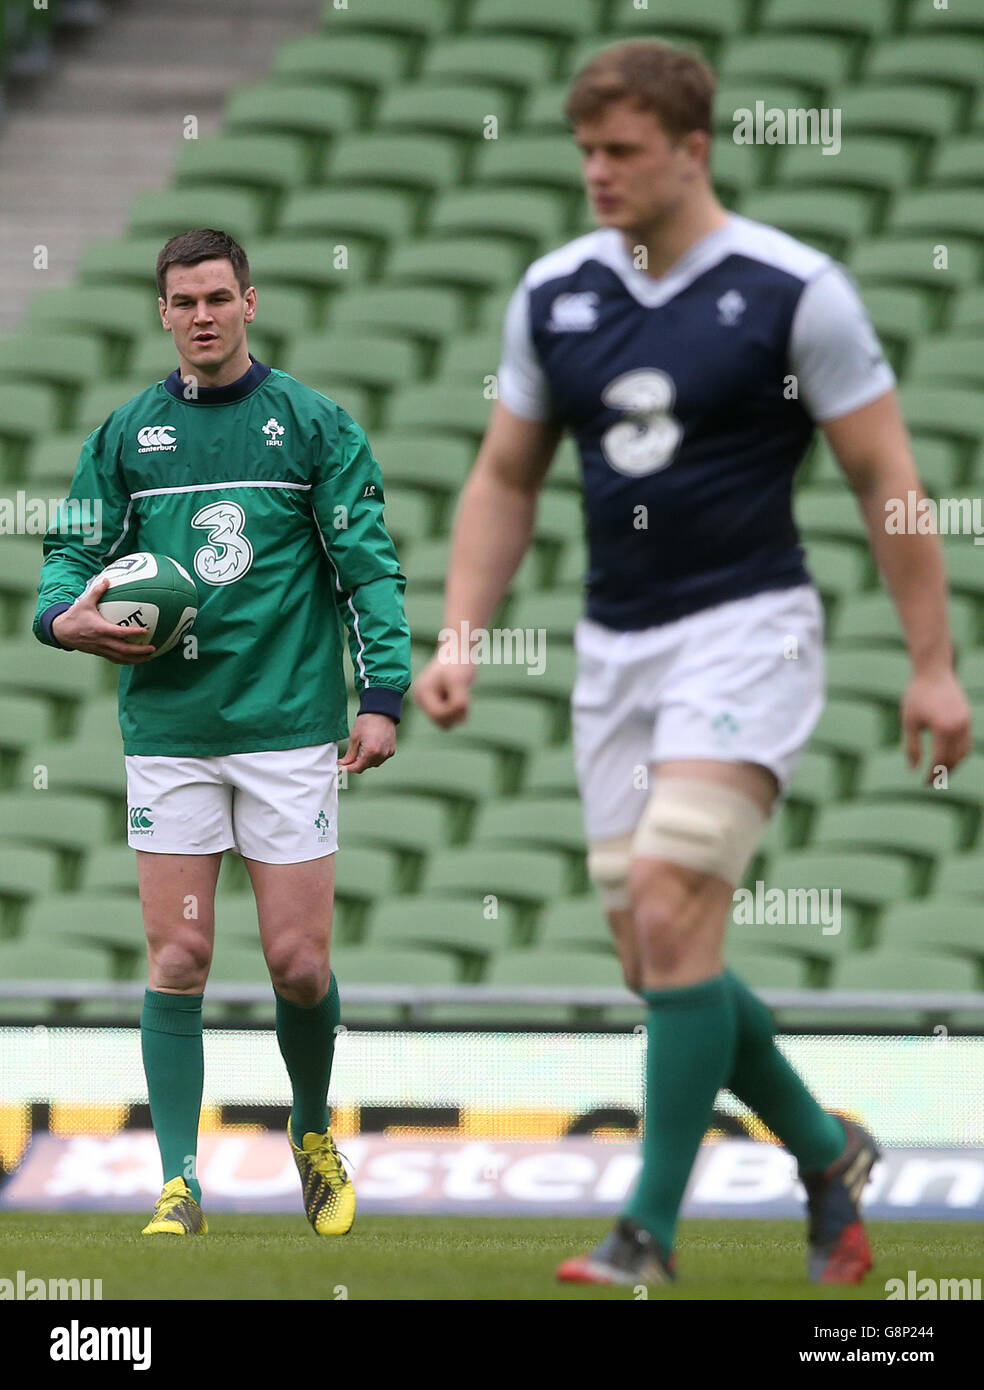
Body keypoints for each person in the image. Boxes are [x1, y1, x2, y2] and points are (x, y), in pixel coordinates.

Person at [412, 41, 971, 1286]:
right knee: (658, 958)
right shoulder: (555, 292)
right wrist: (459, 636)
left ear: (692, 149)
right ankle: (828, 1155)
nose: (597, 174)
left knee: (672, 902)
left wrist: (933, 664)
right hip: (616, 644)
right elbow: (506, 474)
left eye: (621, 151)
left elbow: (887, 477)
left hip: (751, 627)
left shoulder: (792, 290)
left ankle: (647, 1232)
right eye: (585, 152)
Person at [33, 228, 412, 1237]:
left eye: (217, 296)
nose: (201, 315)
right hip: (169, 729)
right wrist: (59, 617)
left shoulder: (315, 426)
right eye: (182, 301)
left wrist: (383, 698)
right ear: (162, 314)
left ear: (250, 300)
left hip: (290, 729)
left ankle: (310, 1130)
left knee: (296, 962)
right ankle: (179, 1182)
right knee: (179, 957)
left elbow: (368, 569)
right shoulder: (126, 435)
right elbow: (69, 555)